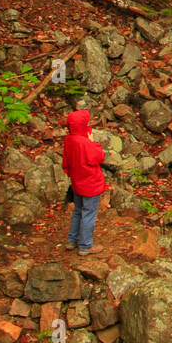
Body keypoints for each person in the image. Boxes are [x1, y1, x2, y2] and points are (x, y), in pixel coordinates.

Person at [61, 109, 106, 255]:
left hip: (77, 183)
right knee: (88, 214)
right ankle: (86, 245)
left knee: (78, 211)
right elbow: (99, 157)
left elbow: (66, 163)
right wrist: (92, 142)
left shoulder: (69, 140)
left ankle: (72, 240)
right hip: (90, 185)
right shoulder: (85, 143)